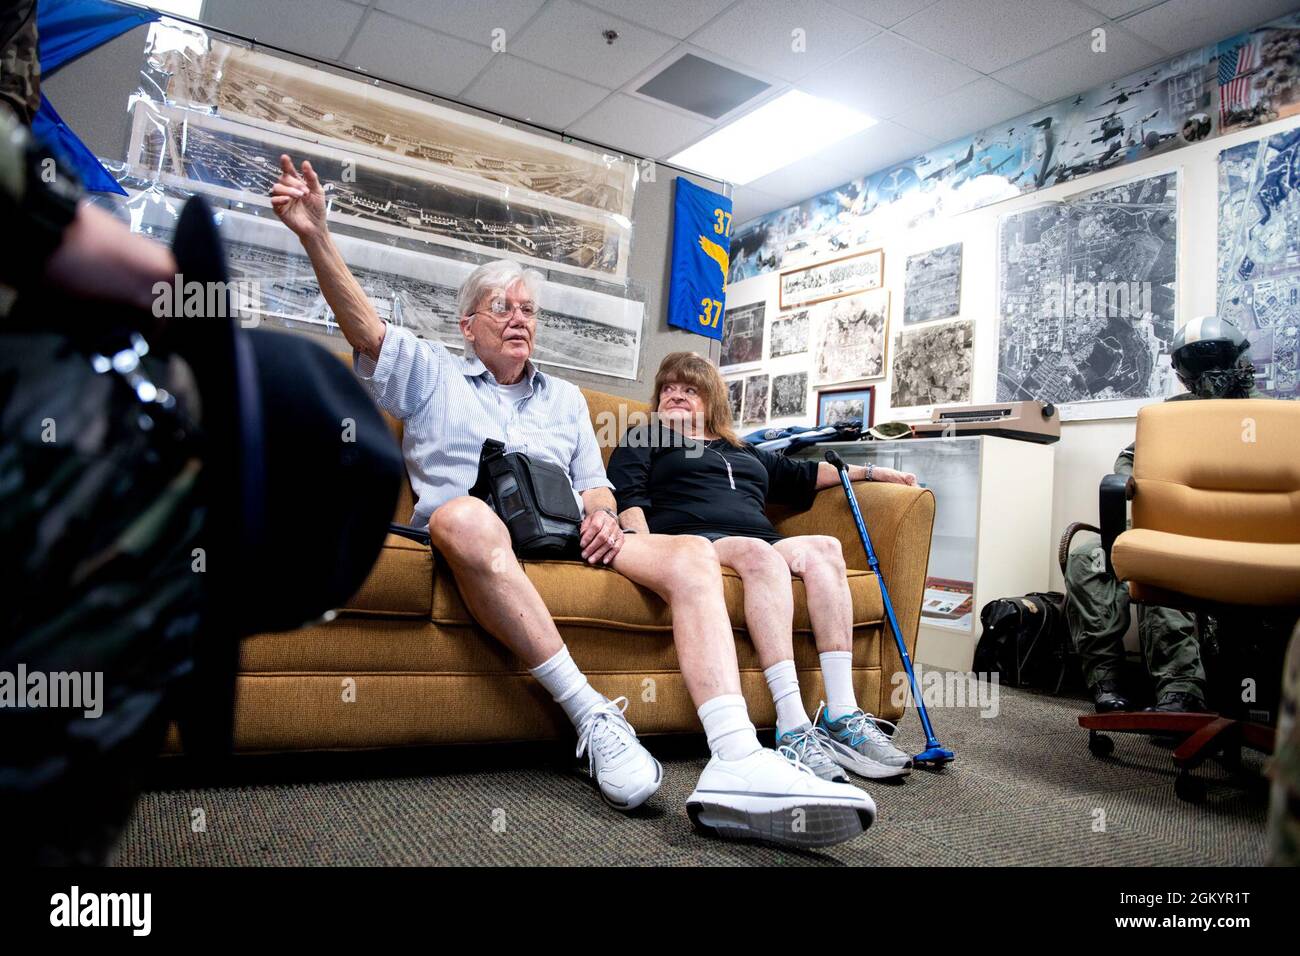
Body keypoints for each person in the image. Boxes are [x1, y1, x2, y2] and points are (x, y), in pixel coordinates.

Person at [268, 155, 877, 848]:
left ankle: (735, 758)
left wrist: (597, 515)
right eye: (502, 307)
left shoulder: (563, 400)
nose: (519, 318)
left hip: (566, 537)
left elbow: (597, 483)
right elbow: (367, 332)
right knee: (461, 515)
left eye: (528, 308)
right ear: (469, 325)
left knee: (688, 555)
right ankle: (592, 715)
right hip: (480, 534)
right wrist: (316, 235)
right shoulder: (435, 374)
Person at [606, 351, 917, 782]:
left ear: (711, 400)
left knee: (825, 549)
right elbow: (629, 499)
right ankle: (792, 726)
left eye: (688, 389)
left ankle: (843, 716)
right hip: (693, 542)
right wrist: (649, 549)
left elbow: (805, 475)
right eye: (667, 389)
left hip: (759, 539)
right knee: (760, 555)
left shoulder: (745, 450)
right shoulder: (647, 437)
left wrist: (872, 472)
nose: (674, 395)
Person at [1065, 315, 1262, 715]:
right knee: (1088, 556)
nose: (1209, 375)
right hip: (1171, 527)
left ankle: (1181, 689)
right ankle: (1107, 680)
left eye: (1217, 361)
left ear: (1239, 363)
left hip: (1238, 541)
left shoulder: (1264, 422)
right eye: (1197, 366)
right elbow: (1129, 464)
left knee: (1167, 562)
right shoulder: (1172, 417)